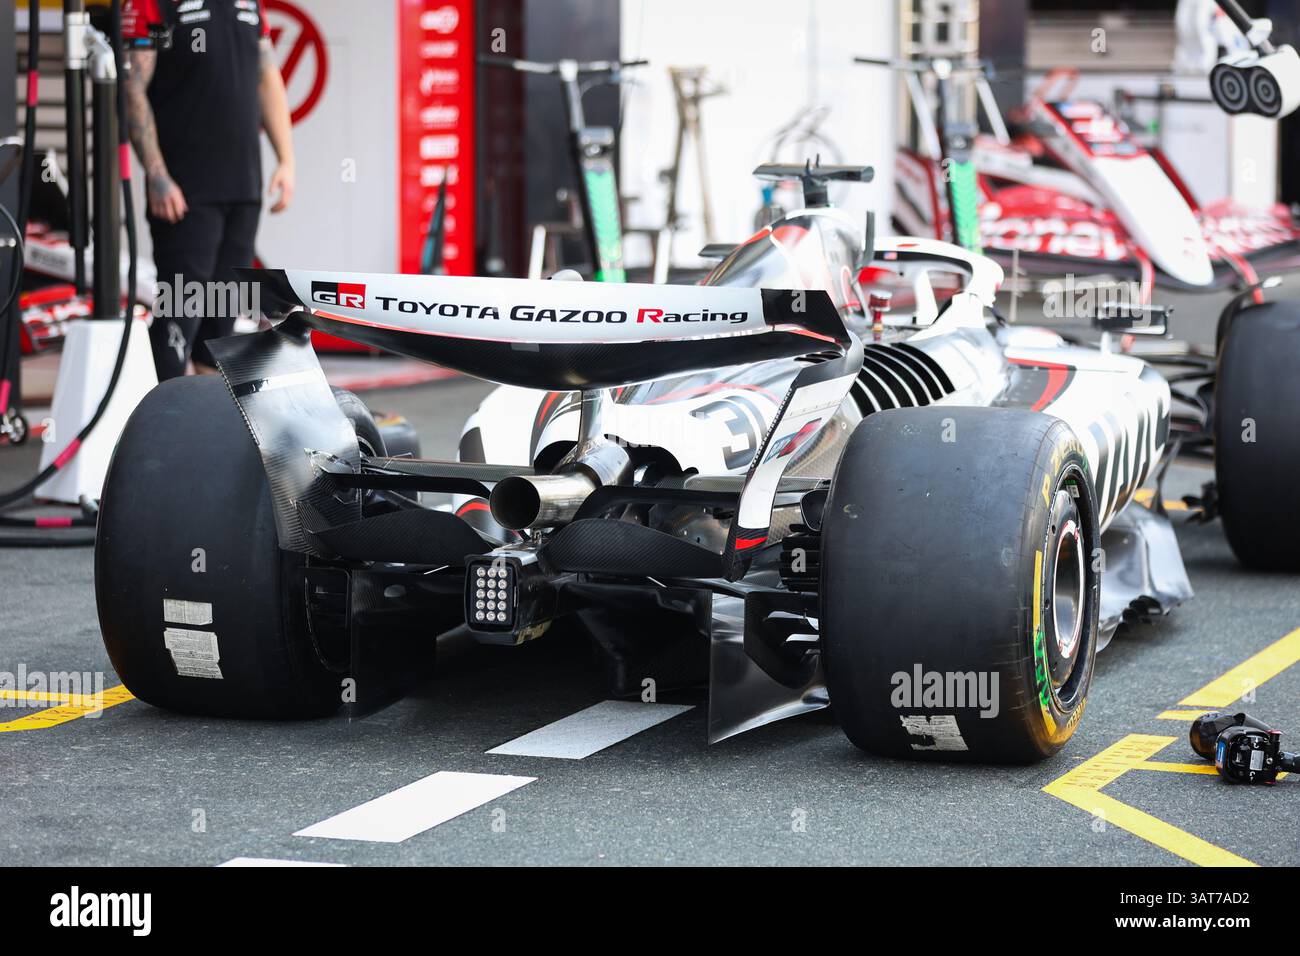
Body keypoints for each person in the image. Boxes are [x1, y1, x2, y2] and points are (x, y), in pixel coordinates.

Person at [123, 0, 295, 379]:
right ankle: (162, 429)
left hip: (243, 189)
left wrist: (286, 159)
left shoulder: (249, 3)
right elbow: (132, 87)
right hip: (185, 195)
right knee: (178, 318)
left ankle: (205, 430)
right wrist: (157, 175)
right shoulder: (153, 3)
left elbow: (266, 75)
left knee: (220, 327)